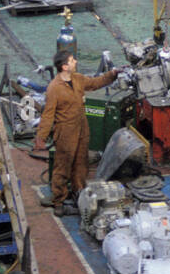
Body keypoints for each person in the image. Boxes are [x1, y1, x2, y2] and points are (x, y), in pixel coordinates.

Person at [32, 51, 120, 215]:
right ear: (64, 66)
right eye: (72, 60)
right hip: (65, 133)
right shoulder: (54, 88)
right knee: (62, 166)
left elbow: (95, 82)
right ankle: (58, 199)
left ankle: (78, 193)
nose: (75, 62)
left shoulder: (78, 79)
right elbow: (48, 115)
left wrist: (112, 74)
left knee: (81, 164)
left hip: (82, 129)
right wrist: (41, 137)